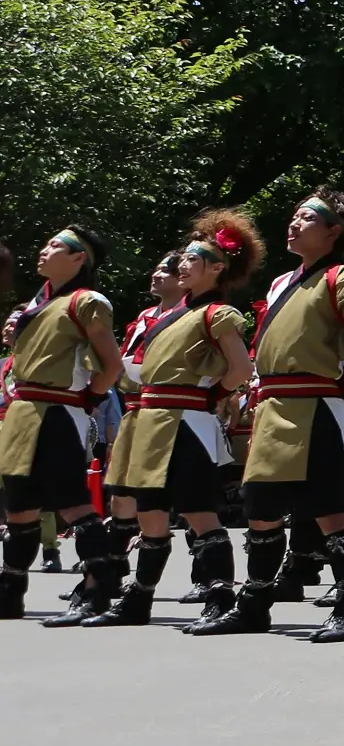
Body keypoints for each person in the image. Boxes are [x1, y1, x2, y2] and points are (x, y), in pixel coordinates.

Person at [192, 196, 344, 641]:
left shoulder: (343, 277)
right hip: (275, 407)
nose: (294, 223)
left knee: (330, 509)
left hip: (319, 405)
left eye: (307, 217)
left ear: (334, 230)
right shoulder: (284, 281)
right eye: (295, 214)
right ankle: (255, 603)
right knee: (259, 509)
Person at [92, 220, 257, 628]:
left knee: (198, 511)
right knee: (150, 513)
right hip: (150, 419)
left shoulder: (218, 313)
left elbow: (241, 367)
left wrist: (212, 394)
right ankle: (139, 599)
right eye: (182, 259)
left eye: (193, 259)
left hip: (186, 421)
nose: (183, 265)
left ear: (217, 268)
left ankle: (219, 596)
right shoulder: (171, 314)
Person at [1, 226, 127, 623]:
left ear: (79, 259)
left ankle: (97, 590)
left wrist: (88, 399)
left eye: (58, 246)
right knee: (19, 507)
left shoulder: (87, 301)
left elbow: (112, 366)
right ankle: (10, 594)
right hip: (23, 411)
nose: (44, 250)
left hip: (57, 410)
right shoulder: (36, 304)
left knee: (73, 503)